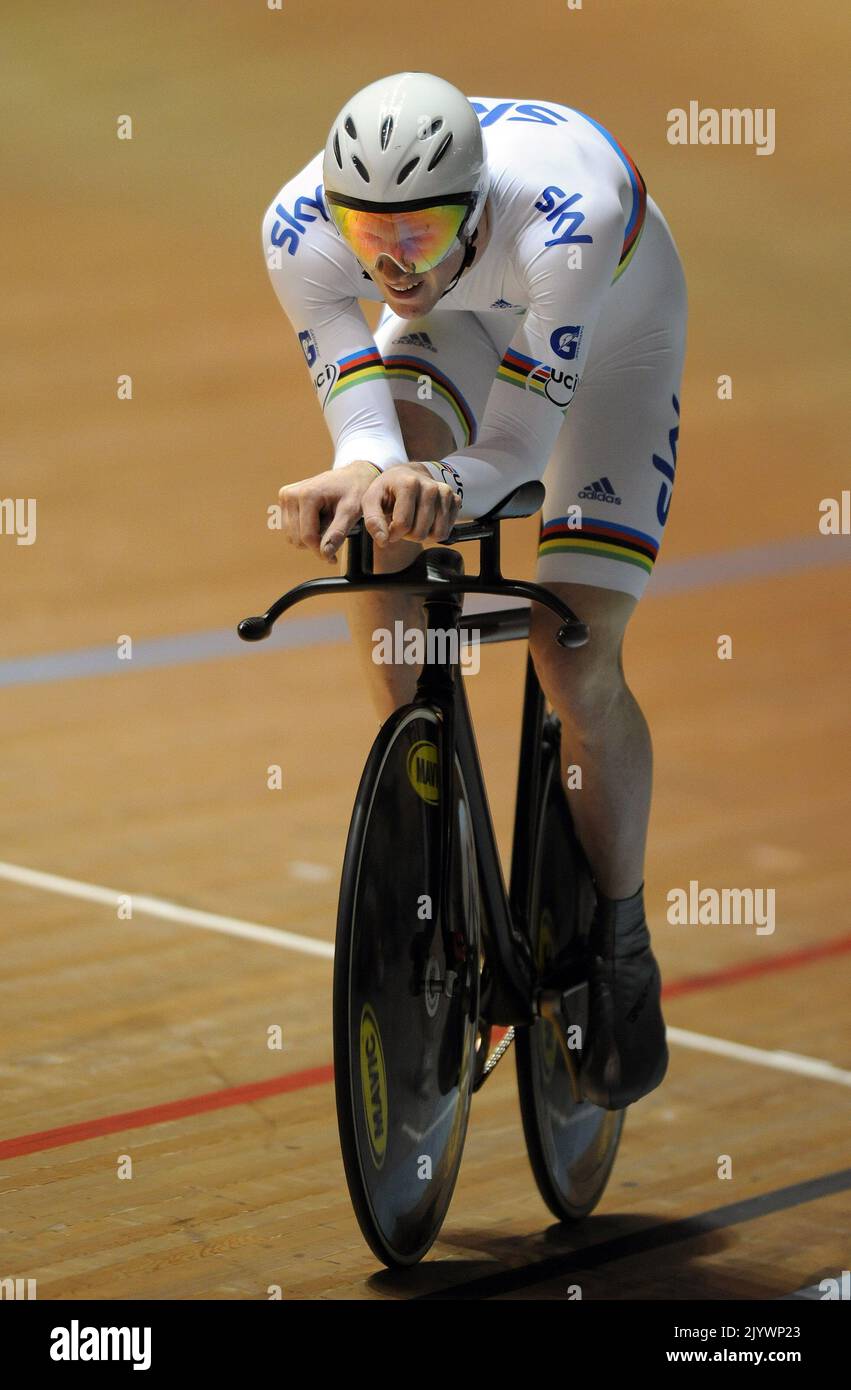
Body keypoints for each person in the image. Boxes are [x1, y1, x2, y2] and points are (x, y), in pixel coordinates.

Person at [262, 71, 687, 1110]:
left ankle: (621, 937)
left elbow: (511, 449)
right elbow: (365, 435)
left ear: (477, 202)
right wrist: (356, 478)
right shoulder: (295, 226)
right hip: (475, 320)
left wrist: (440, 485)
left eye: (417, 236)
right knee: (383, 512)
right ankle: (415, 809)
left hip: (610, 332)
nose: (389, 268)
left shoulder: (563, 217)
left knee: (571, 650)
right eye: (369, 241)